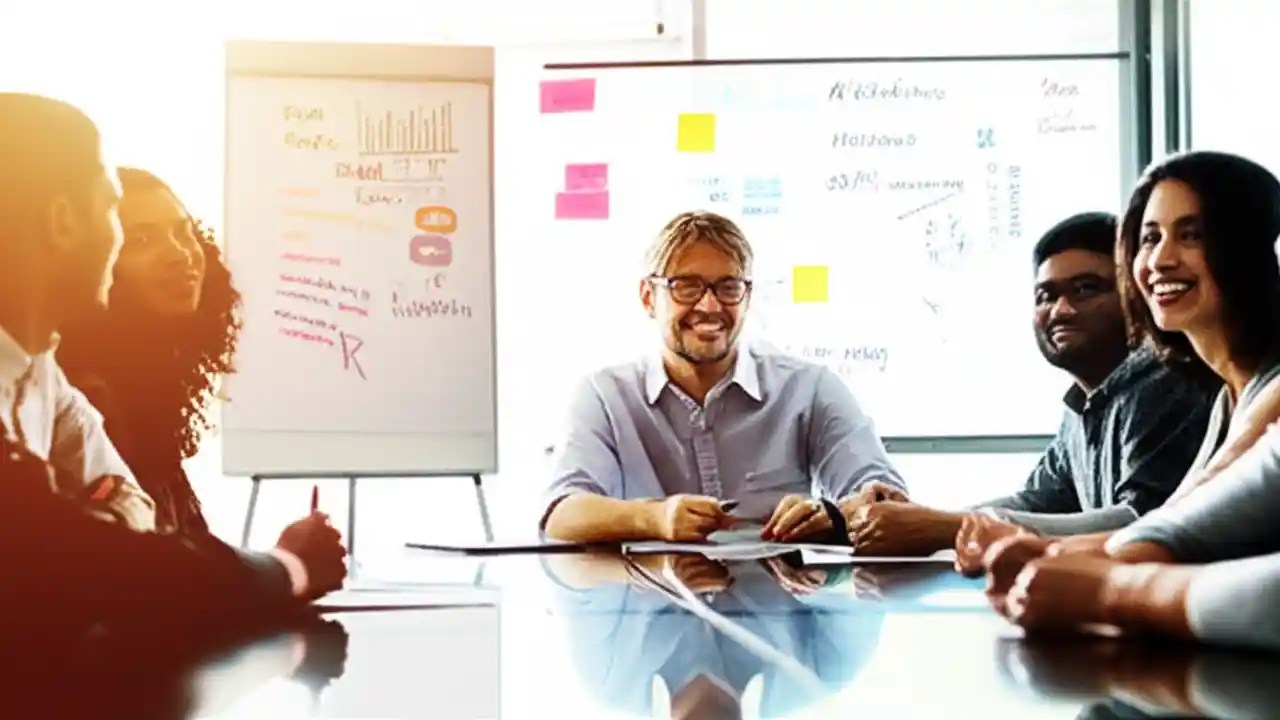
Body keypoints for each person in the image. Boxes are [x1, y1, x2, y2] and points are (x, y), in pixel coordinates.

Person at [0, 93, 345, 624]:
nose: (180, 254)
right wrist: (290, 565)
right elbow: (119, 563)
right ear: (64, 221)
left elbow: (139, 527)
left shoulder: (43, 372)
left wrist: (112, 532)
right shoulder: (76, 383)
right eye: (115, 209)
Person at [978, 150, 1280, 605]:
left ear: (1245, 247)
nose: (1160, 260)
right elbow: (1167, 521)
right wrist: (1035, 549)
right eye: (1149, 238)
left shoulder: (1269, 391)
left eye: (1191, 235)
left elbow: (1174, 527)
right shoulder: (1227, 397)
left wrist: (1039, 553)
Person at [847, 212, 1214, 556]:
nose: (1061, 310)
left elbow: (1139, 523)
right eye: (1046, 296)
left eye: (1086, 289)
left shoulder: (1165, 383)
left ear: (1134, 297)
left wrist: (947, 527)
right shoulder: (1084, 405)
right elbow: (1036, 501)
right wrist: (918, 516)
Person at [541, 210, 904, 543]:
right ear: (648, 297)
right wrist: (655, 517)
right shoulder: (604, 396)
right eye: (686, 286)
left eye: (728, 287)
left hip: (780, 607)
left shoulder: (809, 389)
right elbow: (561, 514)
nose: (710, 306)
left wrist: (833, 516)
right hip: (658, 604)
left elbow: (889, 503)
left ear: (747, 297)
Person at [58, 167, 238, 535]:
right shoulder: (90, 395)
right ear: (96, 259)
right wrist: (287, 565)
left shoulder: (152, 383)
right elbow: (148, 559)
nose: (180, 255)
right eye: (141, 241)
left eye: (181, 231)